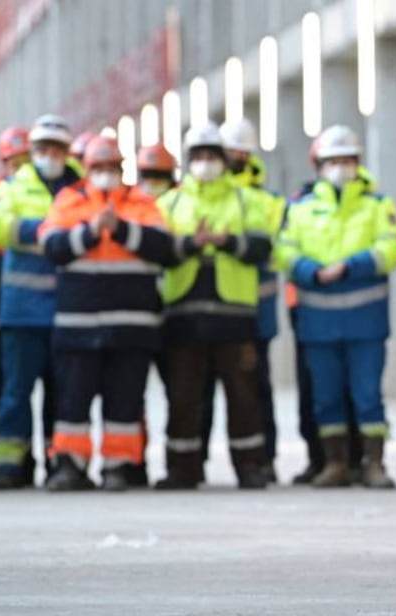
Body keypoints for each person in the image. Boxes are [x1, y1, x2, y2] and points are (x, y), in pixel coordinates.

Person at [38, 135, 175, 491]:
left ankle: (119, 466)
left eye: (111, 167)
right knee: (72, 402)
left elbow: (163, 247)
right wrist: (92, 231)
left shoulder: (141, 202)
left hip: (132, 326)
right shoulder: (69, 201)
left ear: (122, 168)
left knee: (125, 402)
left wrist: (121, 229)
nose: (105, 174)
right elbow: (52, 248)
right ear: (86, 169)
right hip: (77, 325)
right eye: (98, 168)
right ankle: (70, 465)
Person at [277, 125, 396, 489]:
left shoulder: (377, 205)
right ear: (318, 165)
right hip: (318, 321)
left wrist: (351, 266)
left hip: (365, 322)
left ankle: (374, 463)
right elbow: (284, 250)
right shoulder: (301, 208)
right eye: (333, 161)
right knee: (326, 396)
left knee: (367, 396)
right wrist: (311, 271)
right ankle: (335, 463)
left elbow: (390, 248)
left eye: (347, 161)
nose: (340, 168)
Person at [154, 122, 274, 490]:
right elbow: (157, 250)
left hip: (234, 318)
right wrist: (192, 244)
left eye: (212, 157)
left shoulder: (246, 201)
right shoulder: (168, 203)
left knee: (243, 396)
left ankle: (251, 466)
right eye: (199, 157)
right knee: (183, 398)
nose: (205, 163)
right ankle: (182, 468)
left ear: (224, 160)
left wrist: (224, 241)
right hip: (183, 316)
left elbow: (261, 247)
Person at [0, 115, 81, 489]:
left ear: (66, 152)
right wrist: (47, 231)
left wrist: (43, 232)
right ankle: (12, 465)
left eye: (55, 149)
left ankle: (60, 463)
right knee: (16, 392)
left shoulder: (80, 189)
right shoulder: (13, 187)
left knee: (62, 395)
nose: (48, 156)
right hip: (22, 311)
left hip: (67, 310)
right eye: (42, 149)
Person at [202, 118, 285, 482]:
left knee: (255, 390)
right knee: (199, 389)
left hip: (254, 309)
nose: (235, 157)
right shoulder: (198, 192)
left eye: (241, 152)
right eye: (229, 151)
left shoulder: (265, 201)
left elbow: (272, 249)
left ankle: (263, 459)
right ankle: (193, 461)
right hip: (207, 307)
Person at [0, 126, 30, 476]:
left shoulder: (53, 192)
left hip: (22, 302)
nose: (20, 166)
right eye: (13, 161)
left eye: (24, 158)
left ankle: (25, 459)